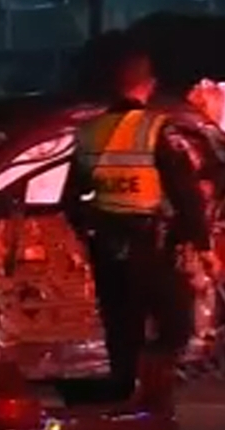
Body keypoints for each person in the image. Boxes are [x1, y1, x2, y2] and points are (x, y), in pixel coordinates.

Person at [62, 48, 215, 404]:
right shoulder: (155, 128)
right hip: (151, 244)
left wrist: (87, 229)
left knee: (121, 324)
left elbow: (71, 196)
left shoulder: (89, 132)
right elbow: (184, 190)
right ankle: (150, 386)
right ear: (148, 85)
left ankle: (124, 387)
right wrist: (202, 244)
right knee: (177, 322)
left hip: (106, 244)